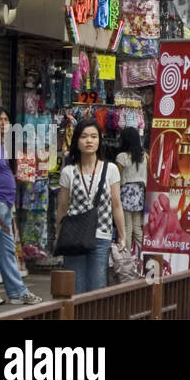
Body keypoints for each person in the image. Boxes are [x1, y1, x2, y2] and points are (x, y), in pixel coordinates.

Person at [0, 108, 42, 305]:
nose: (3, 123)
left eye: (6, 119)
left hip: (4, 204)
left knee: (6, 249)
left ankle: (17, 291)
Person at [57, 118, 125, 294]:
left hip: (101, 235)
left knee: (97, 288)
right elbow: (62, 208)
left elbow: (116, 205)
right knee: (76, 288)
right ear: (76, 141)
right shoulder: (68, 172)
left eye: (94, 136)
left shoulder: (110, 169)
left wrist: (122, 236)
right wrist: (59, 235)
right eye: (84, 136)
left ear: (99, 140)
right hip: (74, 237)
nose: (89, 141)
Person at [114, 126, 147, 256]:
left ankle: (125, 257)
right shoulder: (144, 156)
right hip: (139, 192)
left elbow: (116, 176)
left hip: (126, 192)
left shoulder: (122, 157)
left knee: (126, 227)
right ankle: (146, 253)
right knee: (137, 227)